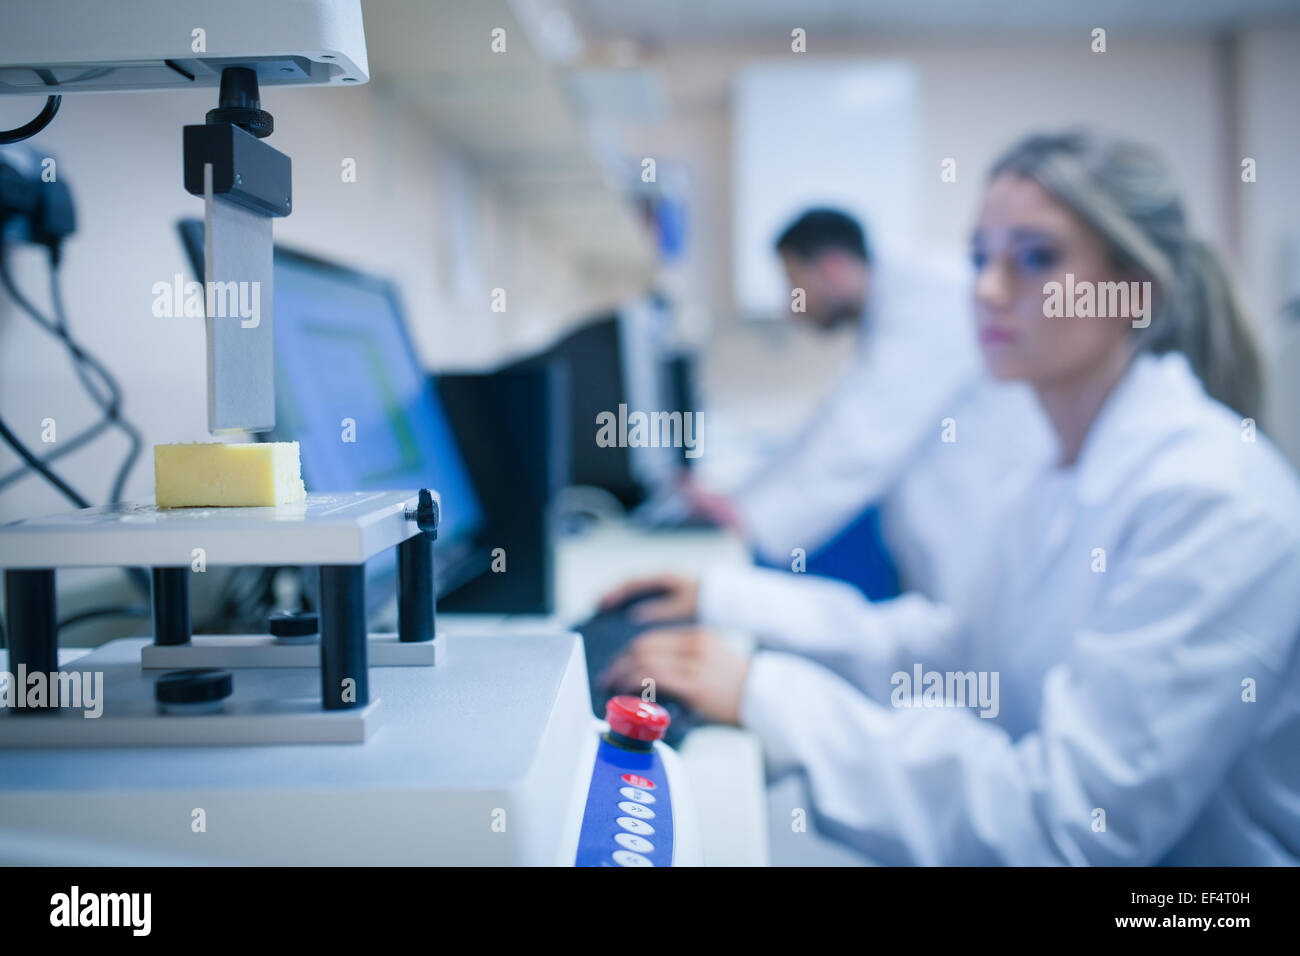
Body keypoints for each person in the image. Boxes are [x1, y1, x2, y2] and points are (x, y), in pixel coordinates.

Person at [600, 130, 1300, 865]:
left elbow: (1069, 826)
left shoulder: (1212, 500)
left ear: (1136, 292)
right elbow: (959, 653)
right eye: (979, 259)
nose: (988, 290)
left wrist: (770, 696)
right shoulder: (1063, 470)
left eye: (1035, 258)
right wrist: (727, 602)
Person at [690, 208, 1051, 605]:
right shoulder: (891, 304)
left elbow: (863, 439)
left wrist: (751, 522)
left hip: (977, 532)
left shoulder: (930, 297)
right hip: (947, 529)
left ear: (832, 268)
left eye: (793, 285)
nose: (789, 305)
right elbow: (835, 422)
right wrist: (737, 501)